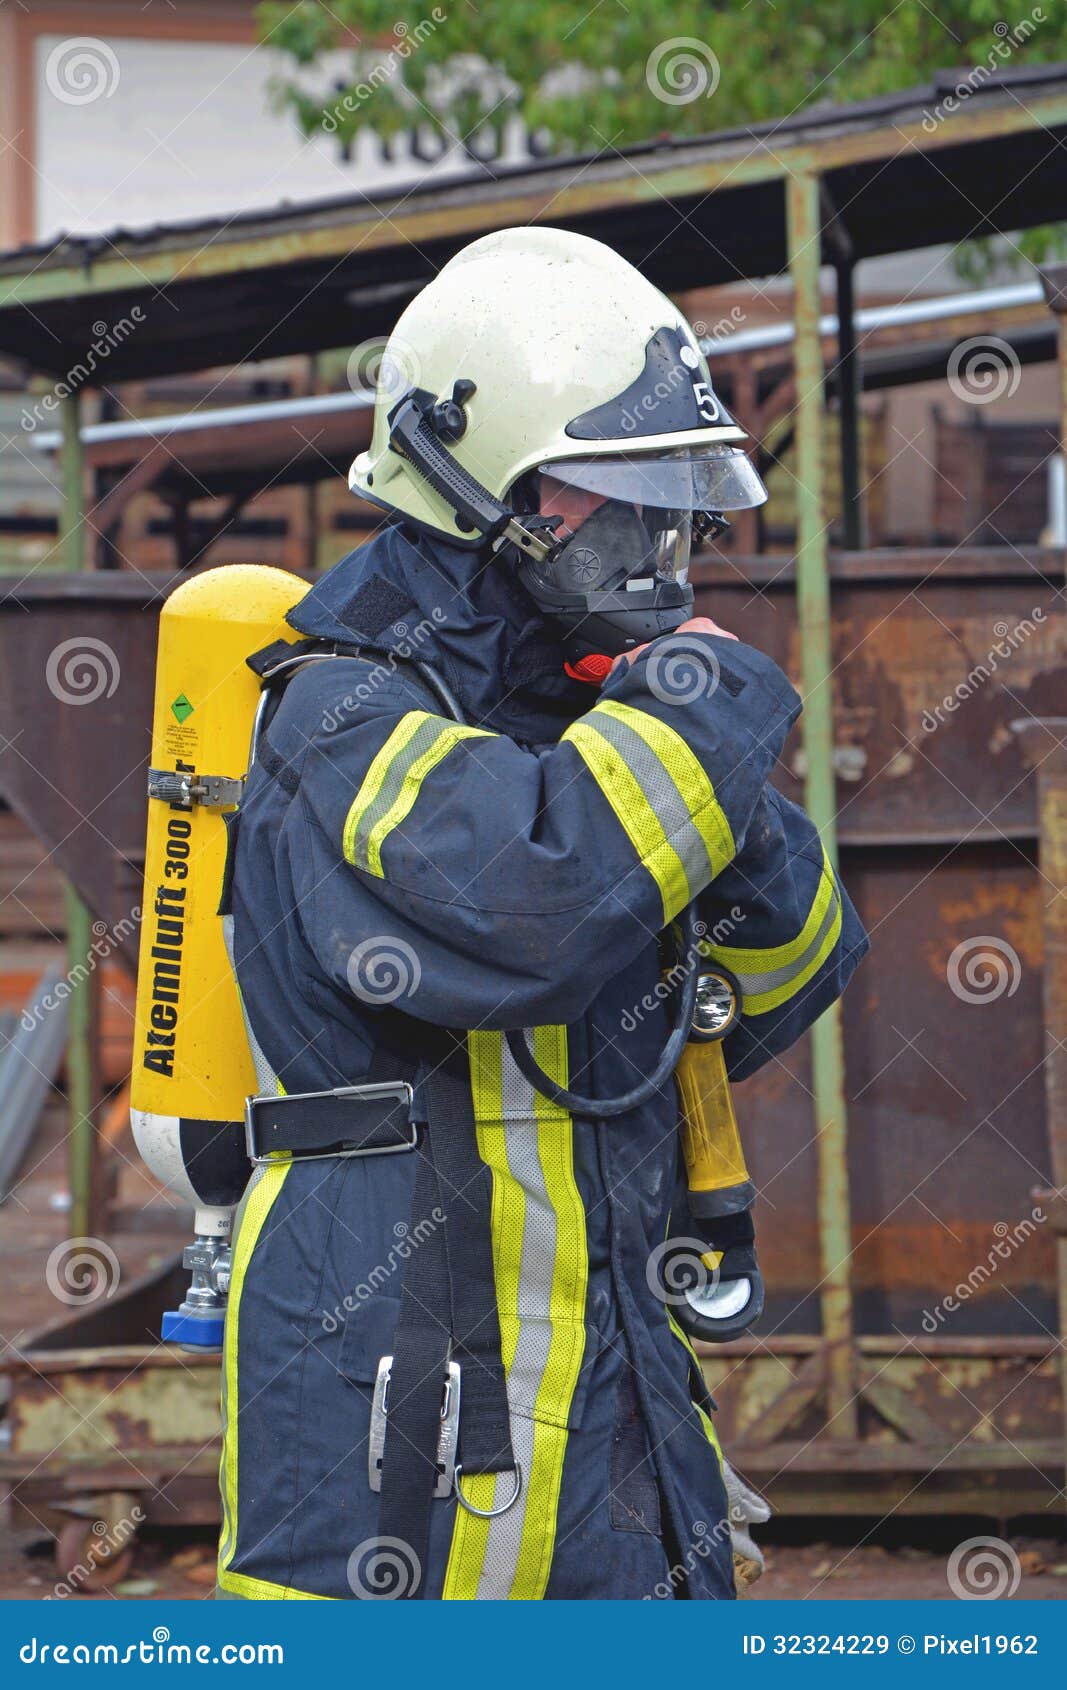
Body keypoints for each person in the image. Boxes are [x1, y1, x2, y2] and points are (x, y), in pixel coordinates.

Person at [216, 226, 867, 1601]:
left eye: (671, 494)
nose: (656, 535)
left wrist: (695, 761)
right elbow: (526, 904)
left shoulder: (606, 721)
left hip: (611, 1394)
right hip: (390, 1401)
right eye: (608, 490)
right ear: (472, 484)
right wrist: (695, 728)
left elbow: (786, 967)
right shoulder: (339, 714)